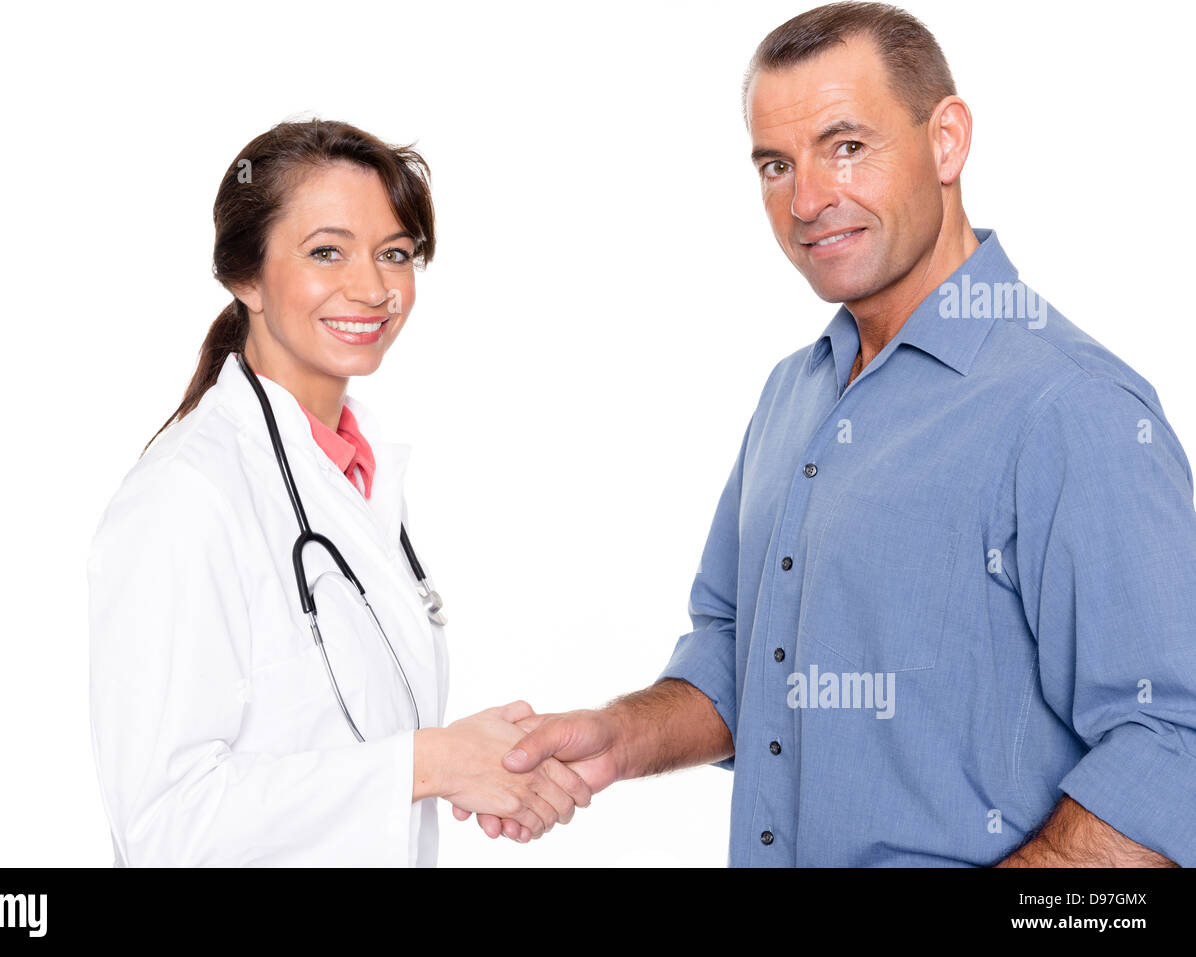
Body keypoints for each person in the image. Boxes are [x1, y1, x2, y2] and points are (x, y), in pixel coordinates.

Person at [460, 2, 1196, 865]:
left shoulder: (1072, 407)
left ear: (947, 140)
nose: (807, 200)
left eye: (848, 146)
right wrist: (618, 737)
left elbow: (1171, 742)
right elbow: (745, 652)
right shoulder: (794, 393)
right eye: (777, 164)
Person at [87, 118, 590, 866]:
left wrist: (484, 761)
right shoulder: (185, 499)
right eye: (327, 251)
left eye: (396, 254)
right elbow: (164, 826)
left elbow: (345, 737)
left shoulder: (354, 472)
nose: (374, 288)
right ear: (244, 277)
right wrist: (430, 763)